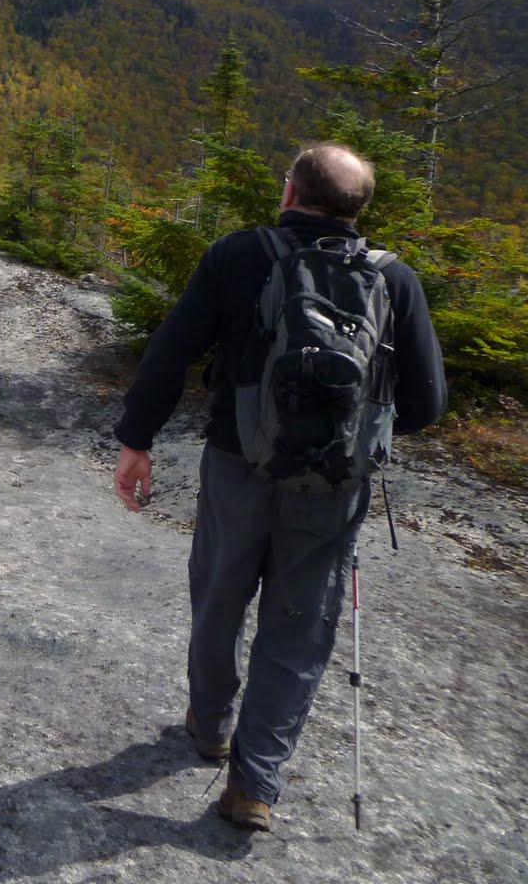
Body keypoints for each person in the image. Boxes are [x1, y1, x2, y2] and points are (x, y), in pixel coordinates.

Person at [112, 142, 446, 832]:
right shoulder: (394, 279)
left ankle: (210, 725)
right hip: (332, 486)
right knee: (298, 628)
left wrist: (136, 441)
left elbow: (172, 351)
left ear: (291, 192)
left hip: (237, 464)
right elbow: (426, 404)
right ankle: (254, 786)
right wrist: (352, 434)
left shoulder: (240, 255)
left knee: (218, 596)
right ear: (359, 209)